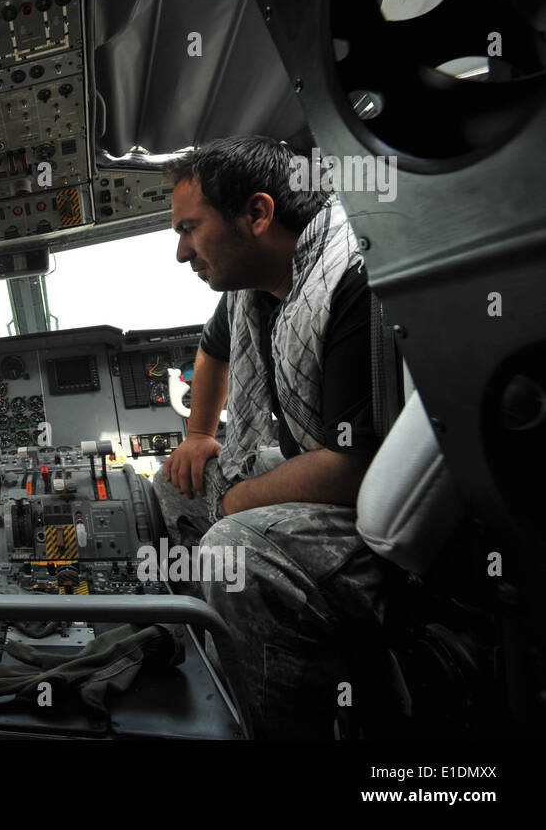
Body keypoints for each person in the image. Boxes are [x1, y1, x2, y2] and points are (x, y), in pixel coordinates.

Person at [153, 135, 389, 738]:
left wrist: (236, 501)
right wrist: (199, 434)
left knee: (235, 546)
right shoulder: (251, 289)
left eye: (189, 229)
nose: (181, 252)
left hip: (374, 503)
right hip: (315, 464)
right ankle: (213, 639)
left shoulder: (352, 280)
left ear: (257, 214)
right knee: (175, 481)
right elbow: (212, 353)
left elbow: (352, 466)